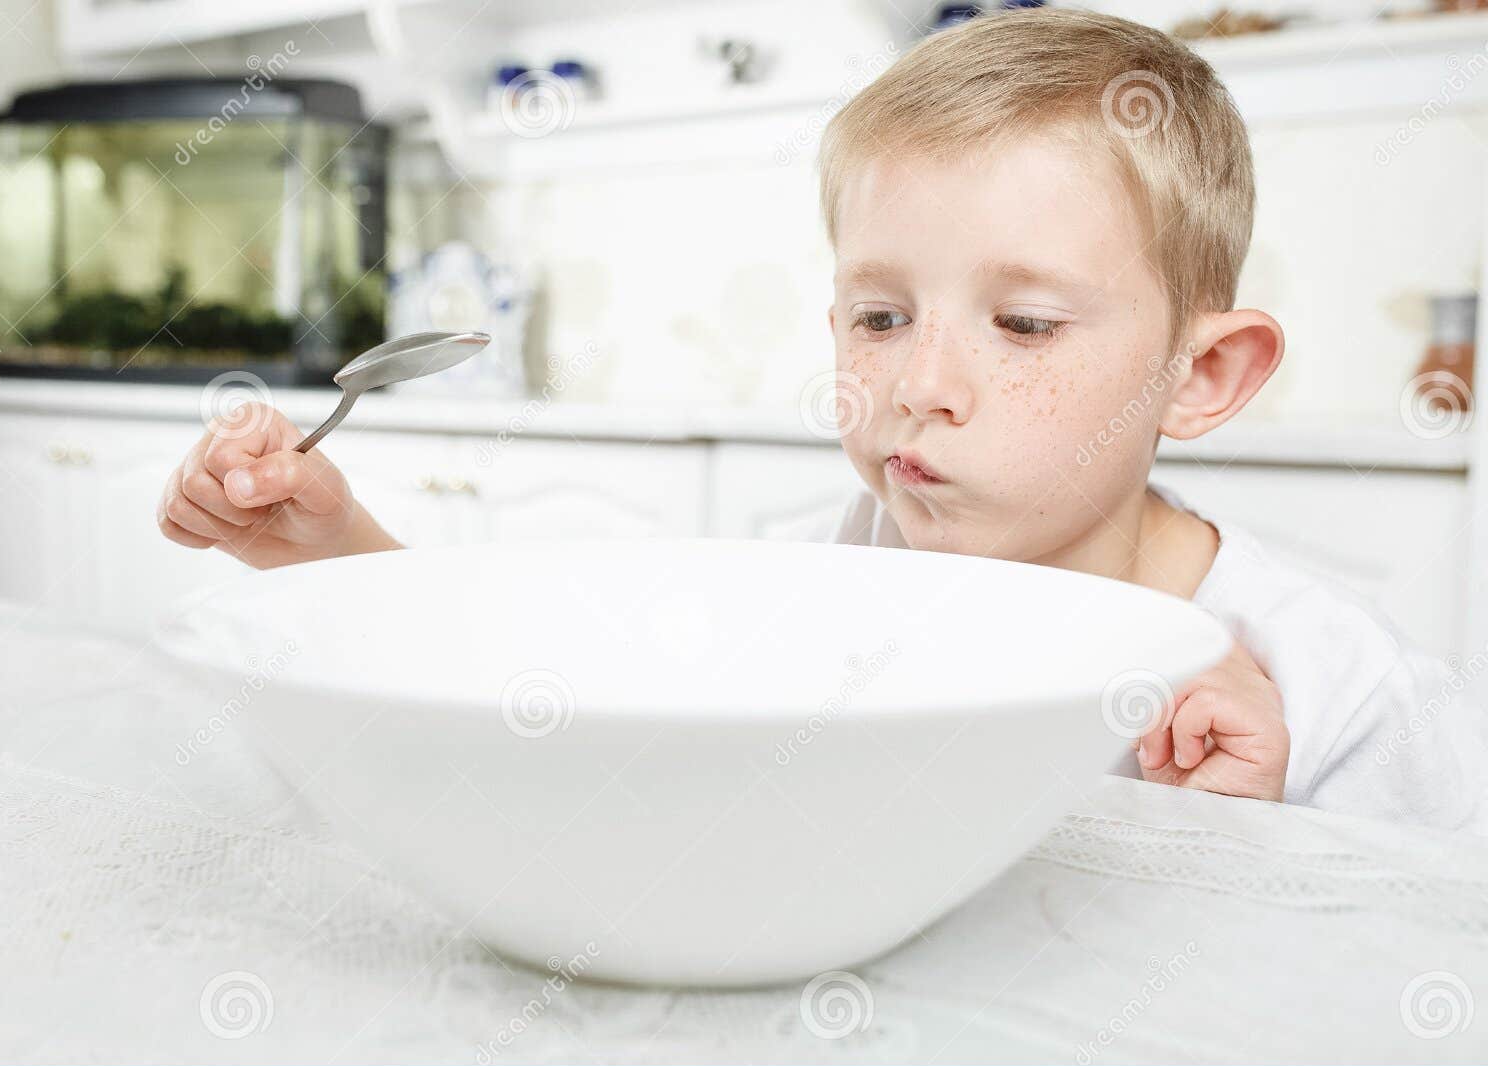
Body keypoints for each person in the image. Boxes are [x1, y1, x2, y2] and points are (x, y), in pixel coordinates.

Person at [157, 9, 1486, 833]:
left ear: (1202, 377)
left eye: (1022, 324)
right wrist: (331, 550)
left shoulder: (1339, 693)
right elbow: (555, 716)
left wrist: (1245, 850)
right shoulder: (812, 571)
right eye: (879, 315)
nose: (916, 385)